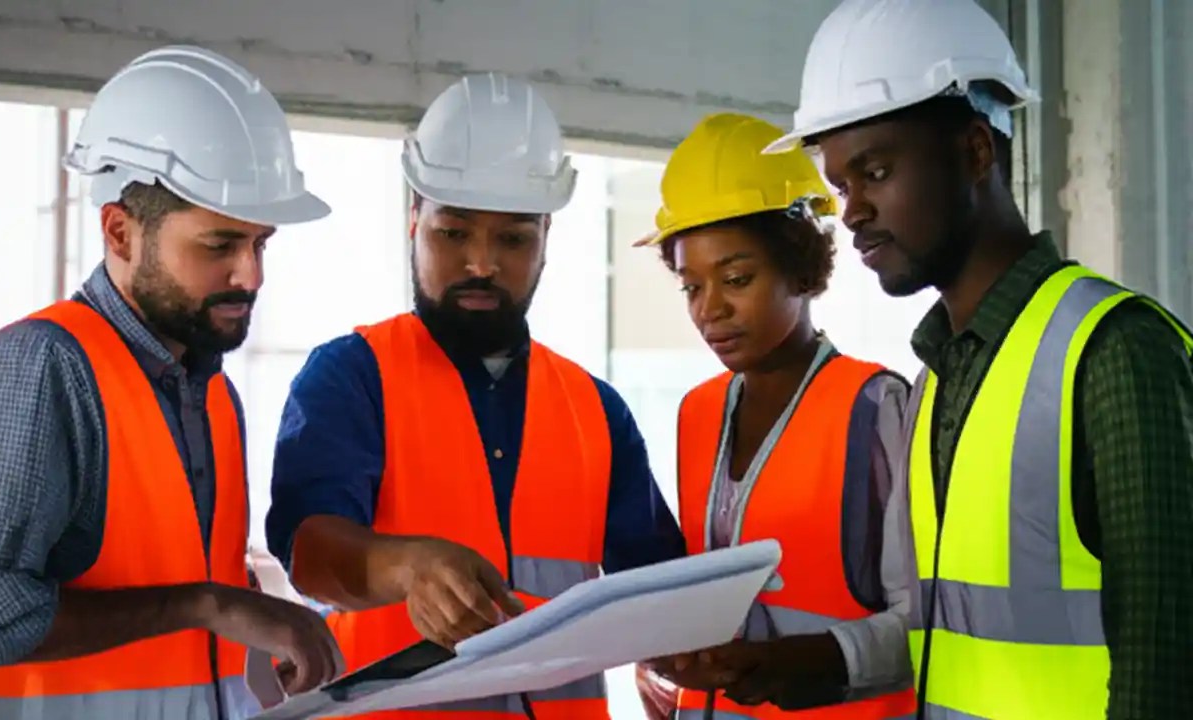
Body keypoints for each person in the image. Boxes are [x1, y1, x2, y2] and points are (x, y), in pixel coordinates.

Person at [766, 0, 1193, 717]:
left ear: (975, 152)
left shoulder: (1115, 353)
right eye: (842, 186)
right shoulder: (941, 377)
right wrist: (810, 662)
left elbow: (1167, 666)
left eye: (875, 171)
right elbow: (957, 636)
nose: (853, 211)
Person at [0, 45, 343, 720]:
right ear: (120, 231)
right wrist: (207, 605)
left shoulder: (210, 394)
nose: (250, 275)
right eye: (218, 245)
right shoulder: (35, 373)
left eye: (260, 244)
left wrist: (249, 633)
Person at [268, 71, 687, 720]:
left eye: (512, 238)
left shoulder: (596, 411)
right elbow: (310, 552)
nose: (482, 263)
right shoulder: (352, 376)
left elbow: (658, 590)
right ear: (414, 219)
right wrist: (405, 568)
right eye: (454, 233)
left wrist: (684, 650)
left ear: (547, 236)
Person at [635, 113, 918, 719]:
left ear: (801, 266)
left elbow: (927, 622)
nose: (710, 310)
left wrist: (820, 660)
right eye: (691, 286)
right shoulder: (698, 412)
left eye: (736, 278)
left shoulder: (875, 406)